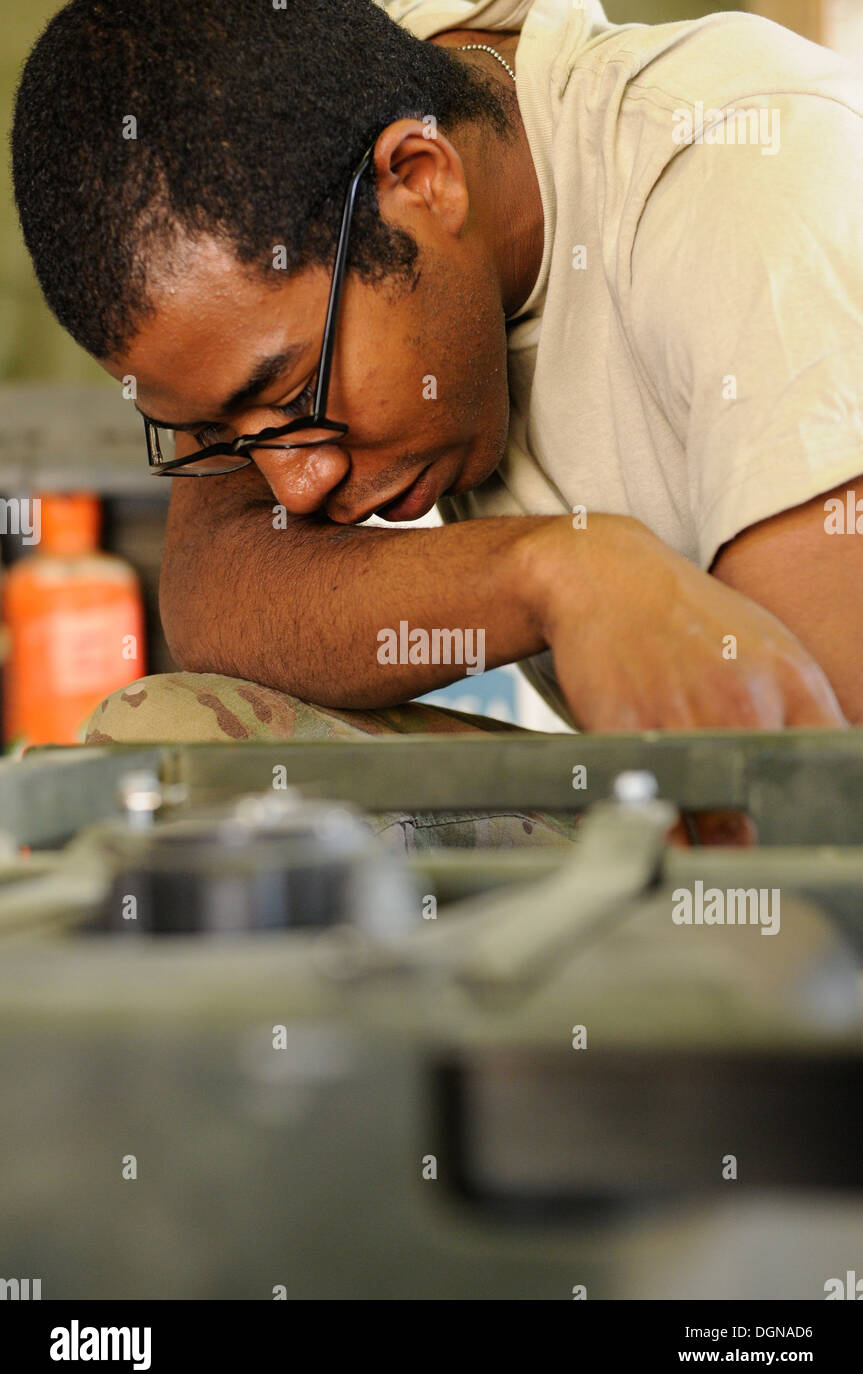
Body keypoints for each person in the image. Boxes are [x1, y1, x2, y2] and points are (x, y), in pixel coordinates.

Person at [9, 0, 863, 846]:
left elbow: (810, 786)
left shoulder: (746, 177)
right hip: (716, 811)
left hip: (822, 820)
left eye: (297, 391)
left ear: (422, 179)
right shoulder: (303, 135)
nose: (297, 483)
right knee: (174, 741)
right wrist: (564, 568)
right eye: (225, 435)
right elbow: (215, 584)